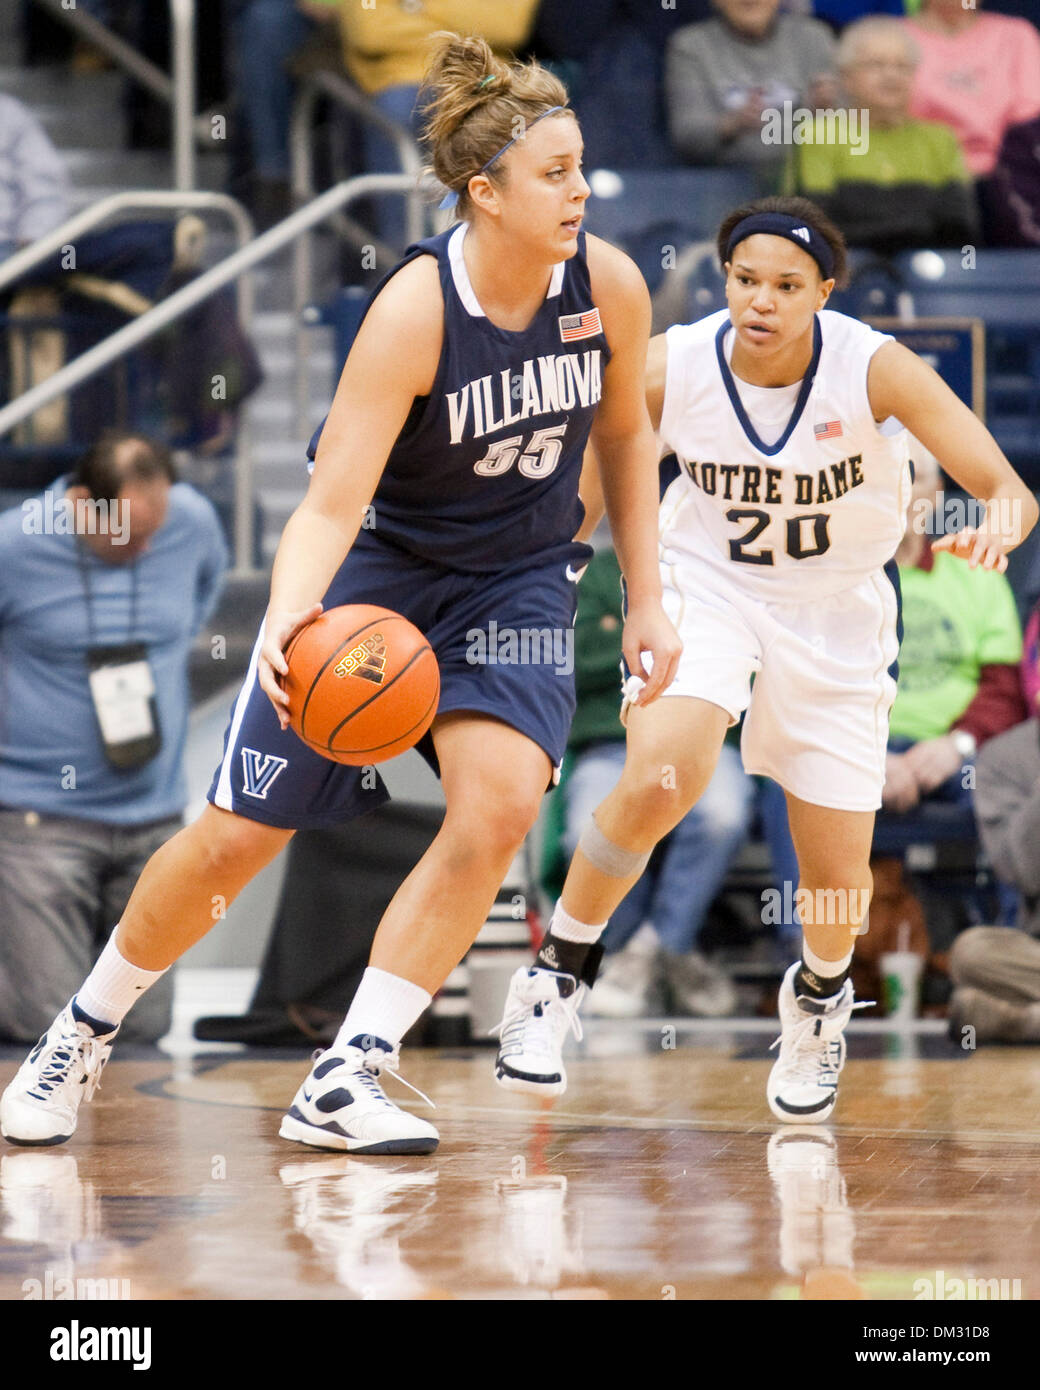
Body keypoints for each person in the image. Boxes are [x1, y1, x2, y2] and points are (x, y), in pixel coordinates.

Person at [0, 35, 679, 1154]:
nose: (579, 190)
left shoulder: (603, 283)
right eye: (553, 173)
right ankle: (82, 1027)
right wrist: (286, 618)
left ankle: (350, 1066)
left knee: (499, 804)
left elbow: (622, 433)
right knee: (234, 836)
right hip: (379, 574)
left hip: (513, 578)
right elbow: (327, 506)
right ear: (485, 193)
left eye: (581, 166)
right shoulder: (414, 310)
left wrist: (644, 598)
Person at [492, 193, 1037, 1121]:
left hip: (836, 617)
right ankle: (555, 978)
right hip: (709, 586)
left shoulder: (878, 369)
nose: (762, 300)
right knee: (665, 771)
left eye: (787, 285)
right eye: (746, 280)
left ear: (823, 290)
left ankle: (819, 1003)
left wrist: (995, 522)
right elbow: (603, 463)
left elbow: (1008, 488)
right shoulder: (678, 362)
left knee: (836, 882)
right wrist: (561, 563)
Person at [0, 433, 228, 1044]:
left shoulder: (193, 523)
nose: (147, 547)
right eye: (128, 535)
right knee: (46, 1029)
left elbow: (202, 595)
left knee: (144, 1028)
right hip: (38, 824)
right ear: (80, 502)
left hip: (154, 823)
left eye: (157, 530)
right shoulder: (14, 546)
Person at [785, 16, 978, 256]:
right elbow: (814, 227)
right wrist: (906, 231)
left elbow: (960, 229)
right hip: (844, 274)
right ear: (846, 78)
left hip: (925, 273)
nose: (891, 76)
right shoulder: (817, 135)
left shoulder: (941, 139)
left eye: (902, 67)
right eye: (876, 65)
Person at [664, 0, 838, 174]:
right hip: (722, 180)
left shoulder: (814, 37)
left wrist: (825, 108)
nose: (750, 1)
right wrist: (733, 124)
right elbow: (688, 136)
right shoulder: (690, 46)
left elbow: (849, 121)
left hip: (810, 176)